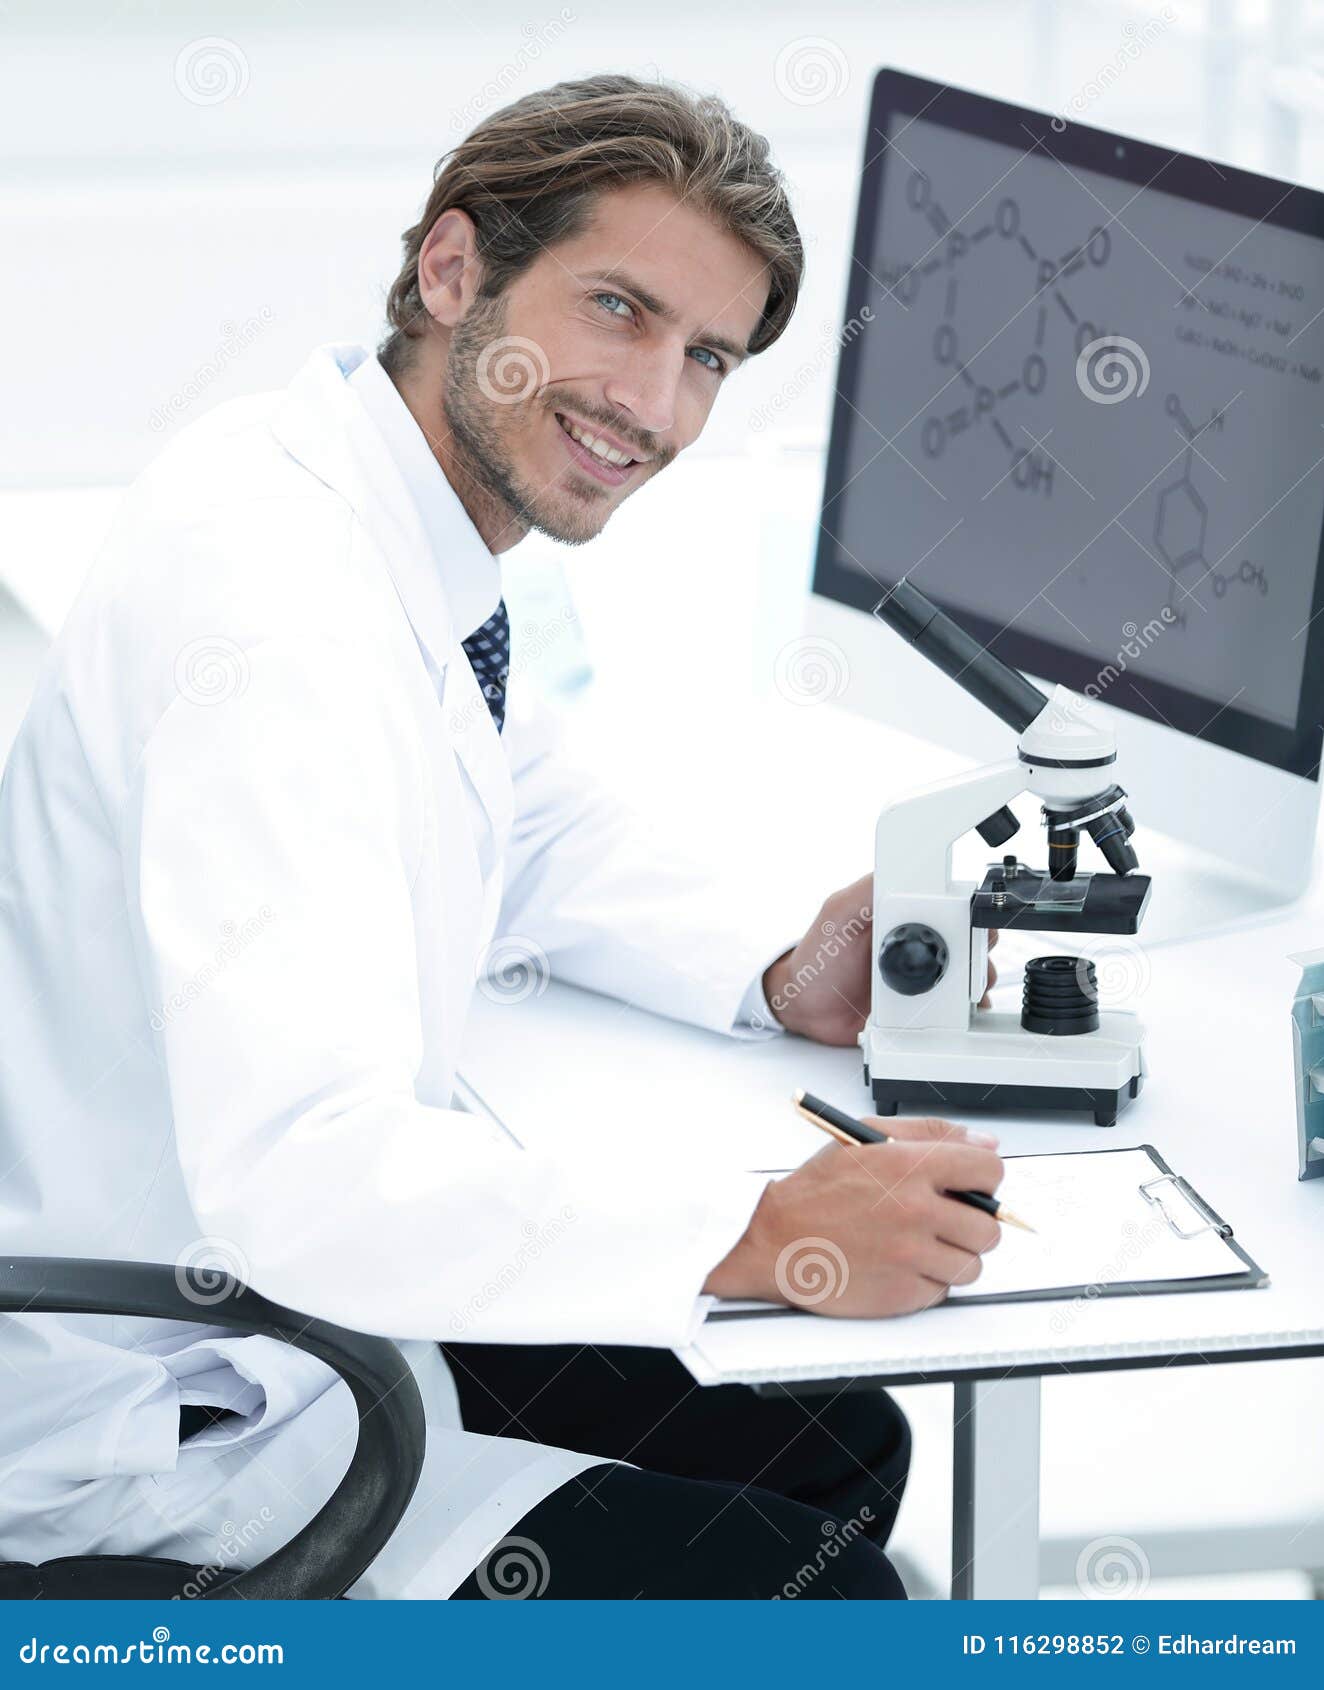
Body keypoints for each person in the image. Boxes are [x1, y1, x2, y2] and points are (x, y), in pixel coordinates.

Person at [0, 74, 1002, 1599]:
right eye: (617, 309)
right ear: (453, 268)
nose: (652, 405)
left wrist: (779, 969)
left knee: (826, 1433)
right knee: (824, 1592)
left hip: (273, 1300)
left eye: (706, 357)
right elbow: (307, 1177)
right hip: (166, 1402)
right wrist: (749, 1225)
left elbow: (516, 813)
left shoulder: (367, 494)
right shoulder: (279, 619)